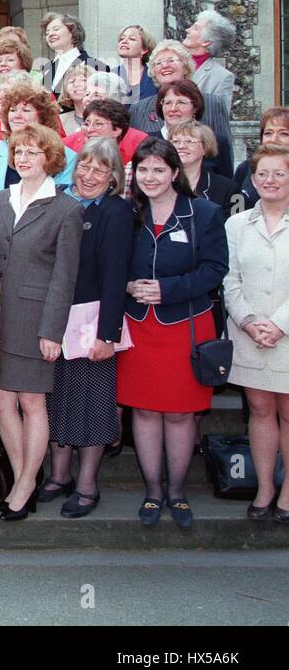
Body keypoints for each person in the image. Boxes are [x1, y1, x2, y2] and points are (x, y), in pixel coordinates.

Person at [119, 137, 228, 529]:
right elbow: (110, 266)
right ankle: (152, 492)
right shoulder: (127, 214)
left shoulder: (204, 213)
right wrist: (128, 284)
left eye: (159, 170)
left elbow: (215, 270)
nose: (150, 177)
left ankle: (177, 493)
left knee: (181, 415)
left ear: (175, 173)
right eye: (143, 169)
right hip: (137, 327)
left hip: (186, 326)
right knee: (145, 411)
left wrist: (168, 290)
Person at [0, 124, 83, 520]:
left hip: (35, 318)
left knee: (31, 400)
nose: (23, 159)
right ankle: (24, 472)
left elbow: (65, 275)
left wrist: (51, 331)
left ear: (50, 159)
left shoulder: (66, 209)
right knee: (0, 399)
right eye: (19, 152)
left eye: (32, 152)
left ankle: (24, 485)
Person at [44, 139, 134, 518]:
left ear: (113, 177)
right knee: (57, 399)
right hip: (54, 318)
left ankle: (87, 484)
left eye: (101, 169)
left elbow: (116, 278)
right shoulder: (58, 201)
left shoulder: (117, 212)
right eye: (85, 165)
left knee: (93, 405)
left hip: (93, 320)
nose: (90, 174)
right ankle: (59, 475)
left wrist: (107, 335)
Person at [223, 143, 289, 520]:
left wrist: (279, 325)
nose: (269, 180)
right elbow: (230, 279)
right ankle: (264, 487)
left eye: (279, 173)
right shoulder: (237, 223)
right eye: (262, 173)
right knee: (260, 410)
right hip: (249, 333)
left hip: (286, 334)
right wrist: (248, 321)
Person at [0, 83, 77, 201]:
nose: (17, 116)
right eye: (12, 110)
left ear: (42, 117)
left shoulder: (66, 155)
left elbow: (64, 202)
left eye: (26, 110)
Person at [142, 78, 234, 178]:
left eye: (181, 102)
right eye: (168, 103)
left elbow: (226, 186)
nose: (173, 109)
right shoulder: (146, 141)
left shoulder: (217, 142)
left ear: (195, 107)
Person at [67, 98, 148, 193]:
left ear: (116, 130)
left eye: (98, 124)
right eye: (87, 123)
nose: (89, 129)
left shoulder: (134, 154)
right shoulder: (68, 149)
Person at [171, 120, 237, 218]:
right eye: (176, 141)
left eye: (189, 141)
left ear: (205, 148)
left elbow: (233, 225)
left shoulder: (226, 188)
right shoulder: (161, 183)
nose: (181, 146)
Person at [232, 107, 289, 211]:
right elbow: (235, 206)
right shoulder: (246, 167)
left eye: (284, 134)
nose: (273, 139)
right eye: (268, 133)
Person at [35, 12, 107, 94]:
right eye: (47, 33)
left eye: (56, 29)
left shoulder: (96, 66)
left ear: (72, 32)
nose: (50, 34)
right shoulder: (46, 68)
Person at [182, 10, 236, 112]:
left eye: (195, 28)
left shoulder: (221, 77)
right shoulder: (170, 62)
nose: (187, 30)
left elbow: (219, 117)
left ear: (206, 42)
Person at [113, 24, 157, 107]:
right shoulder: (109, 76)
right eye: (121, 39)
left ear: (144, 50)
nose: (124, 41)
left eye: (132, 39)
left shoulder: (155, 77)